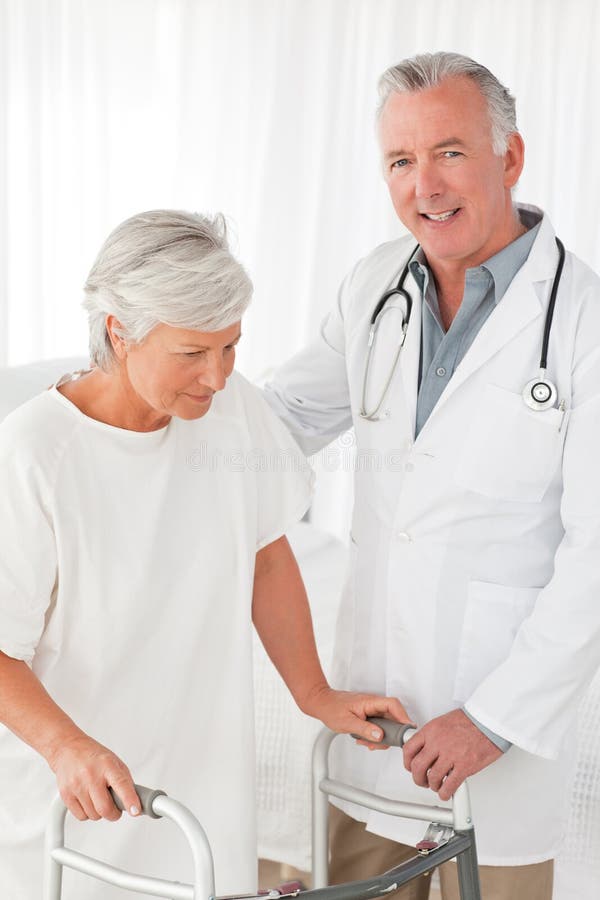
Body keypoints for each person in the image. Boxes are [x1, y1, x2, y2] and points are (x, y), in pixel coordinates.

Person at [264, 52, 600, 900]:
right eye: (400, 161)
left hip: (499, 732)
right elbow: (284, 421)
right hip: (377, 719)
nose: (425, 186)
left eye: (449, 152)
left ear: (509, 157)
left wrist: (495, 718)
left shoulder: (584, 322)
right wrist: (141, 416)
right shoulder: (377, 285)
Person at [0, 209, 407, 899]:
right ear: (117, 333)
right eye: (193, 352)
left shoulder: (229, 410)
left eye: (231, 347)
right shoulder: (36, 456)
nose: (216, 376)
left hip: (203, 785)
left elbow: (267, 554)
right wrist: (67, 746)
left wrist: (313, 691)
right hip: (77, 799)